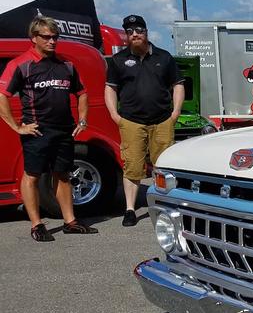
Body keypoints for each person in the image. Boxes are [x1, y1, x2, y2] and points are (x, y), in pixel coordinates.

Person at [0, 17, 98, 241]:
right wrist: (17, 127)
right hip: (37, 131)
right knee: (32, 176)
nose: (52, 41)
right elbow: (2, 96)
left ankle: (70, 222)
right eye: (46, 37)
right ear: (33, 38)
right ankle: (36, 225)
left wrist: (83, 121)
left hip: (64, 130)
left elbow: (82, 93)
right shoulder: (21, 64)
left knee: (62, 174)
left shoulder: (66, 65)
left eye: (55, 37)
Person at [105, 15, 184, 226]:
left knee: (164, 166)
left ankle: (166, 206)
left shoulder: (164, 57)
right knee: (132, 166)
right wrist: (114, 115)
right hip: (131, 121)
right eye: (130, 31)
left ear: (146, 32)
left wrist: (175, 112)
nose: (135, 34)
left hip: (162, 120)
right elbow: (110, 88)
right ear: (126, 35)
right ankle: (130, 210)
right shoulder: (118, 60)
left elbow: (178, 84)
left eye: (139, 30)